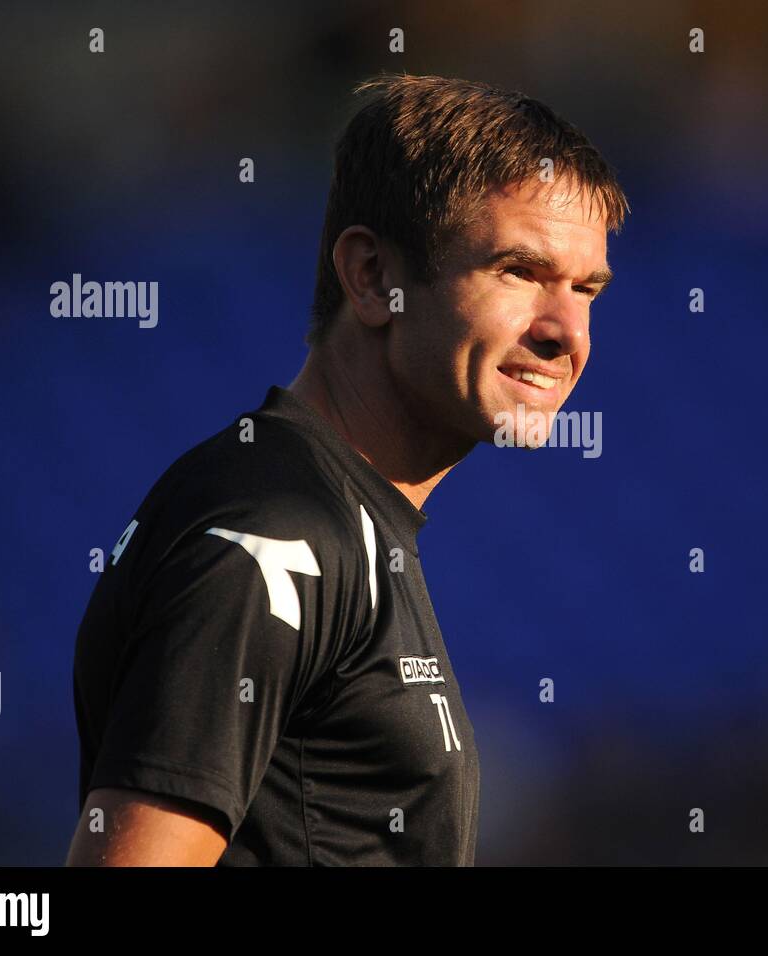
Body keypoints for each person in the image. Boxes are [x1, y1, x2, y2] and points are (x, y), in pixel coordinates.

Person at [65, 73, 629, 866]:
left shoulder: (341, 522)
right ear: (371, 278)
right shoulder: (272, 532)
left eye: (587, 289)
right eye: (518, 271)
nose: (567, 331)